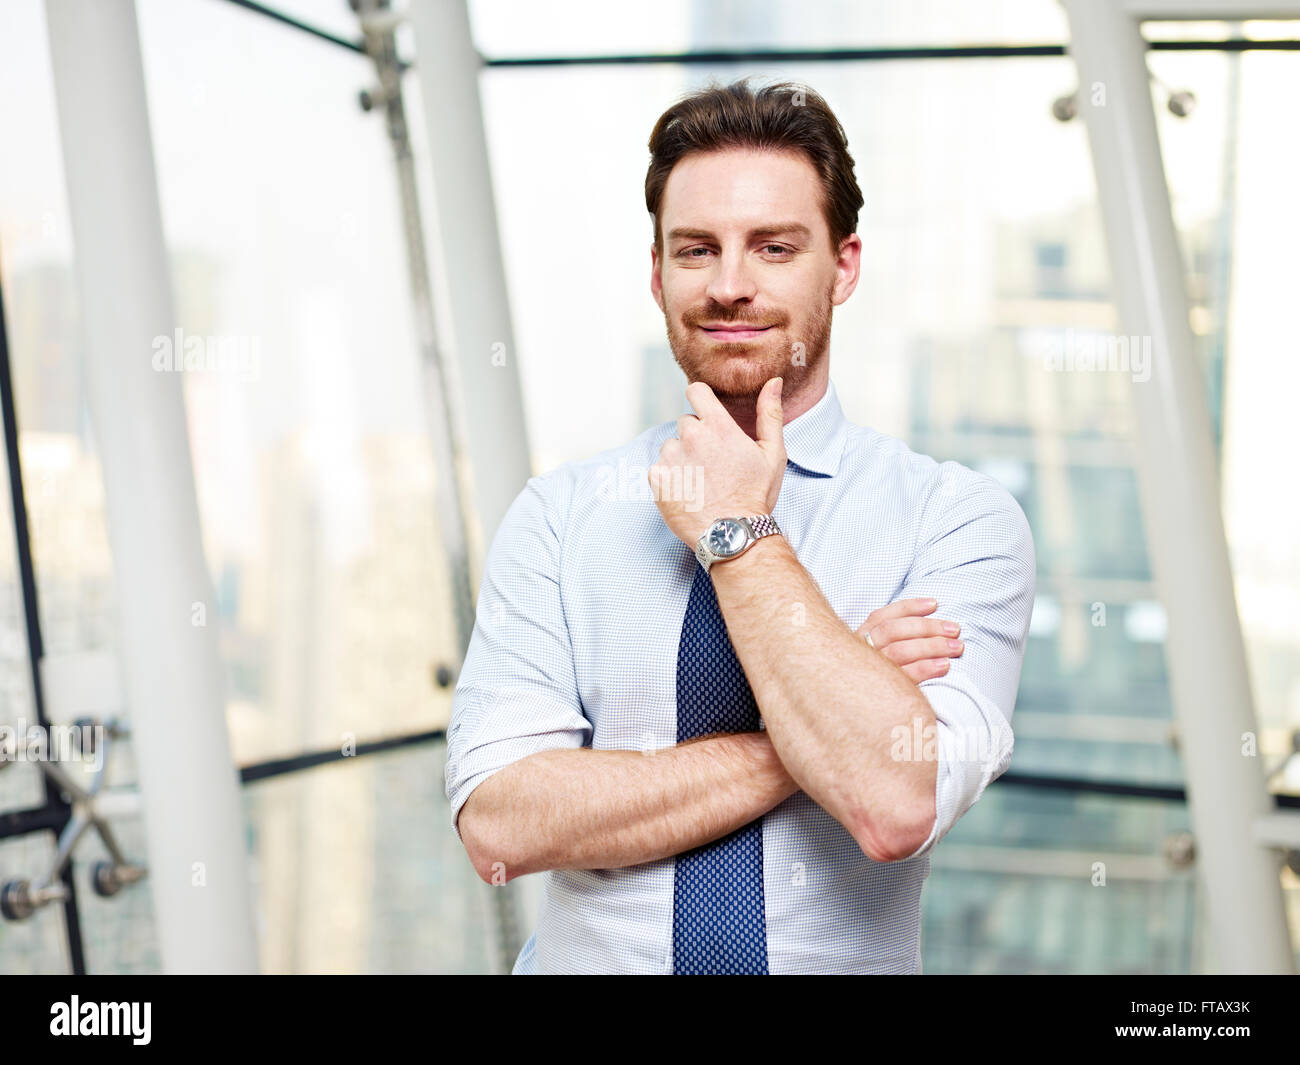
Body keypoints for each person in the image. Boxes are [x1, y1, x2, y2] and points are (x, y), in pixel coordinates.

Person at [444, 77, 1036, 974]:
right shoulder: (560, 517)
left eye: (773, 246)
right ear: (656, 274)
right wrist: (827, 711)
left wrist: (735, 531)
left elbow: (890, 801)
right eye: (695, 250)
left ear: (843, 265)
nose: (729, 285)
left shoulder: (955, 521)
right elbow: (500, 822)